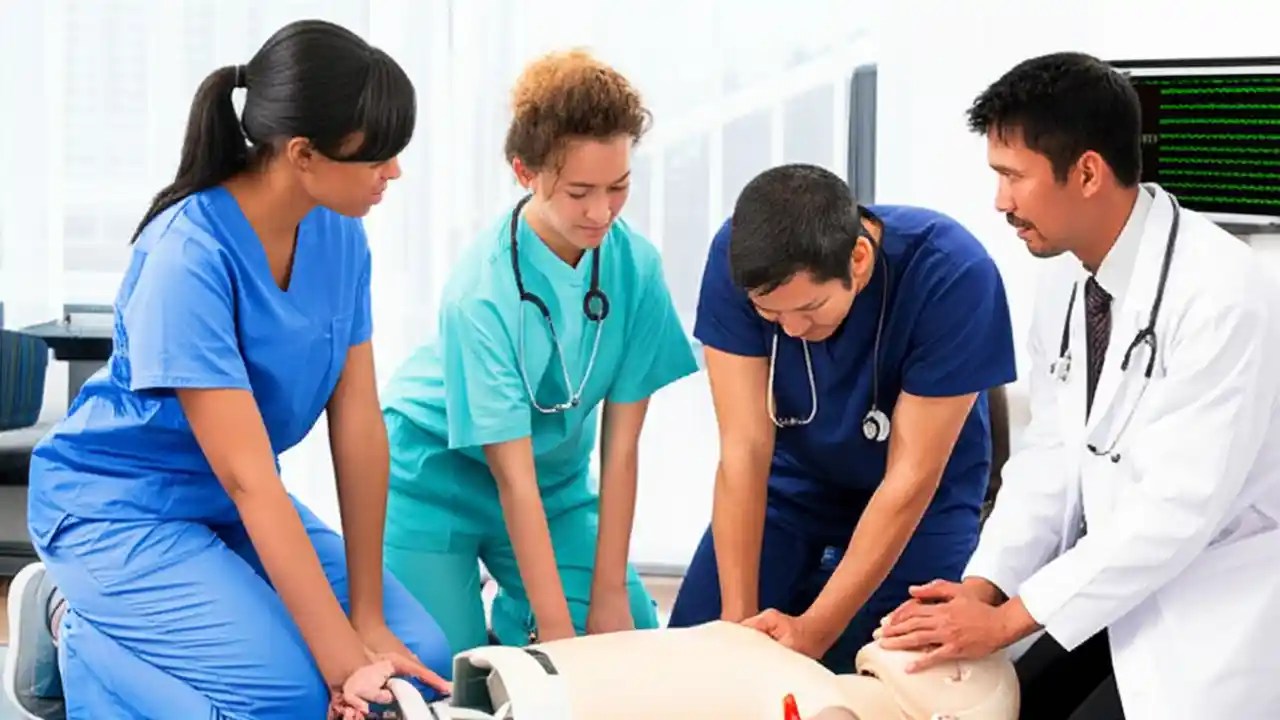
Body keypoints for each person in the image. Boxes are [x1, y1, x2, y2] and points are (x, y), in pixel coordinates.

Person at [2, 19, 452, 720]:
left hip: (224, 505)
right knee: (291, 699)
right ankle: (73, 629)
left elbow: (359, 424)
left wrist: (366, 619)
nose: (393, 172)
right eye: (378, 156)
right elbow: (249, 477)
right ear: (303, 154)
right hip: (120, 510)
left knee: (419, 660)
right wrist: (341, 666)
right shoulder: (188, 255)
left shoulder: (341, 233)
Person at [878, 51, 1280, 719]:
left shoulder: (1224, 295)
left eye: (1013, 177)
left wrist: (1007, 621)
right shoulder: (1066, 282)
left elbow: (1176, 510)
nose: (999, 201)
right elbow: (1052, 460)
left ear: (1087, 171)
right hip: (1106, 585)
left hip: (1210, 606)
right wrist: (985, 586)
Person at [378, 49, 698, 655]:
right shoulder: (481, 292)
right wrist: (557, 638)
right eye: (579, 191)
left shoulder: (636, 269)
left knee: (626, 634)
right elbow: (510, 476)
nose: (602, 211)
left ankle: (521, 615)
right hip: (431, 474)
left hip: (552, 485)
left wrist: (608, 595)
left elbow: (622, 447)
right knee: (447, 668)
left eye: (618, 186)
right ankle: (511, 622)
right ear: (525, 173)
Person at [667, 162, 1018, 673]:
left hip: (923, 505)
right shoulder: (739, 258)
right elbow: (744, 449)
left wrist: (814, 631)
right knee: (698, 664)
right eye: (770, 315)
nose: (789, 330)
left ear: (857, 259)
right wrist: (735, 627)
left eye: (809, 308)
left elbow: (911, 477)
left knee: (883, 675)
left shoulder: (952, 274)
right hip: (795, 486)